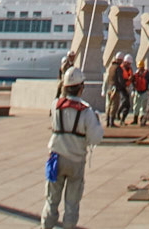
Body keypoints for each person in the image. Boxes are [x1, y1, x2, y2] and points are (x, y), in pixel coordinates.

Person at [40, 65, 103, 229]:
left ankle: (45, 226)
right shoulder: (87, 112)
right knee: (72, 204)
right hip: (76, 160)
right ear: (81, 87)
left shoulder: (55, 106)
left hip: (56, 158)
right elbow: (96, 138)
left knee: (51, 200)